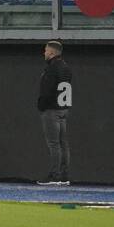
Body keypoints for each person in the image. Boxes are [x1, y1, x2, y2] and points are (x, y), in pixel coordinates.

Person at [37, 41, 73, 186]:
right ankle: (64, 175)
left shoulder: (52, 69)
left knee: (54, 144)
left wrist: (41, 106)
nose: (44, 53)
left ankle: (55, 175)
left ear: (52, 53)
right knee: (63, 144)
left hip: (52, 110)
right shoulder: (66, 67)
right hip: (64, 109)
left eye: (46, 50)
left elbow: (47, 91)